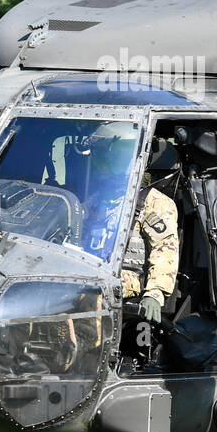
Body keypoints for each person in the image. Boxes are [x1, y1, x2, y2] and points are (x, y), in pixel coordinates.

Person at [82, 123, 179, 325]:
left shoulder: (153, 202)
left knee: (93, 294)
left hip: (128, 279)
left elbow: (165, 248)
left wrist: (155, 292)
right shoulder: (96, 199)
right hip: (92, 273)